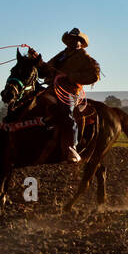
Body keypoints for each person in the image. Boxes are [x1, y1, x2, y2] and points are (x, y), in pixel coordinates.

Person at [41, 28, 100, 162]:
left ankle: (71, 147)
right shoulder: (61, 55)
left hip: (70, 92)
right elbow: (46, 69)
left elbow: (94, 76)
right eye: (71, 39)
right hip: (52, 88)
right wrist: (38, 61)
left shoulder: (84, 58)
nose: (73, 42)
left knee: (67, 113)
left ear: (81, 42)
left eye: (77, 40)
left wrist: (71, 77)